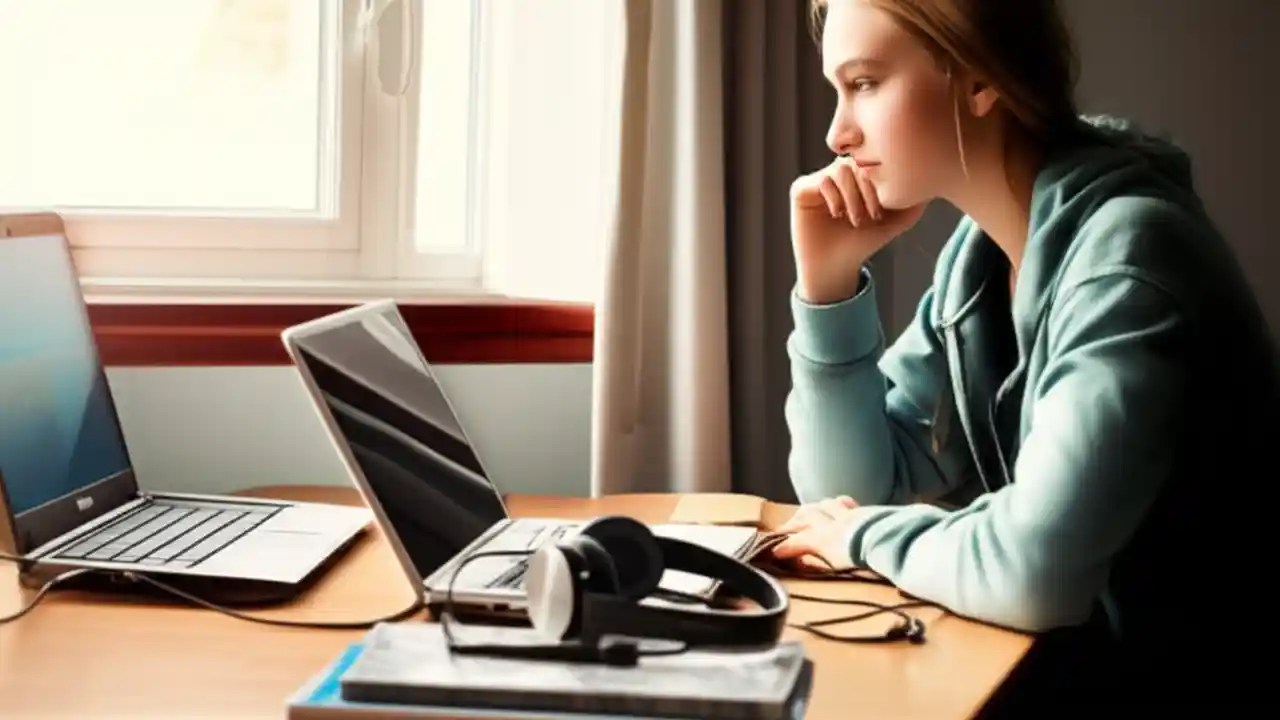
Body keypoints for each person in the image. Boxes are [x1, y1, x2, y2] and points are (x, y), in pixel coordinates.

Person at [767, 0, 1280, 712]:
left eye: (865, 83)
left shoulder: (1127, 264)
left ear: (979, 79)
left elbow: (1034, 570)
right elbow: (850, 483)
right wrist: (825, 292)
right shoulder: (979, 261)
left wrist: (857, 536)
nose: (836, 133)